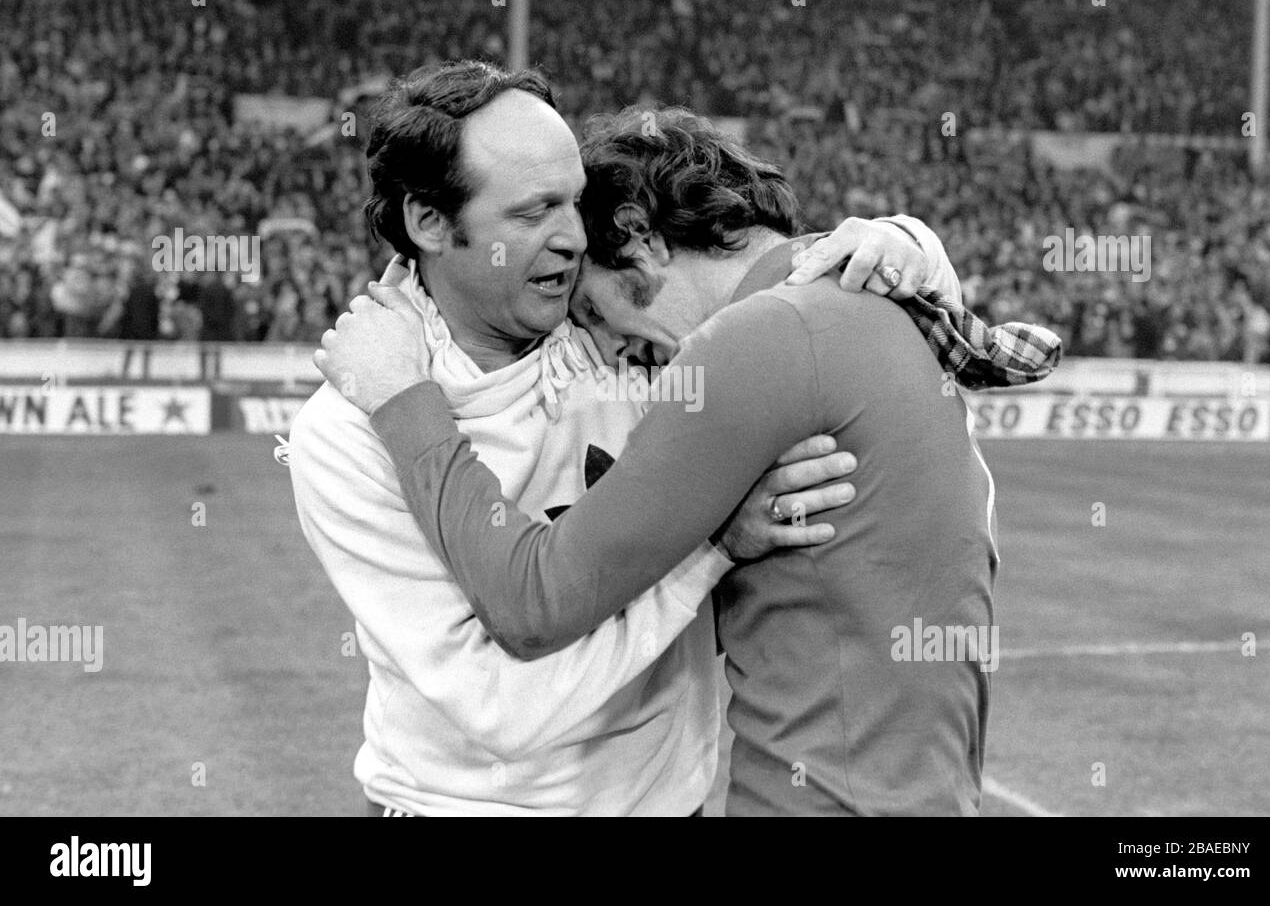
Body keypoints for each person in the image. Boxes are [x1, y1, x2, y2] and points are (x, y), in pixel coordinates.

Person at [314, 105, 1060, 815]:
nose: (607, 348)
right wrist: (911, 237)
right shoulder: (868, 303)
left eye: (598, 311)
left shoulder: (752, 342)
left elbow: (533, 600)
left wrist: (405, 398)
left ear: (643, 237)